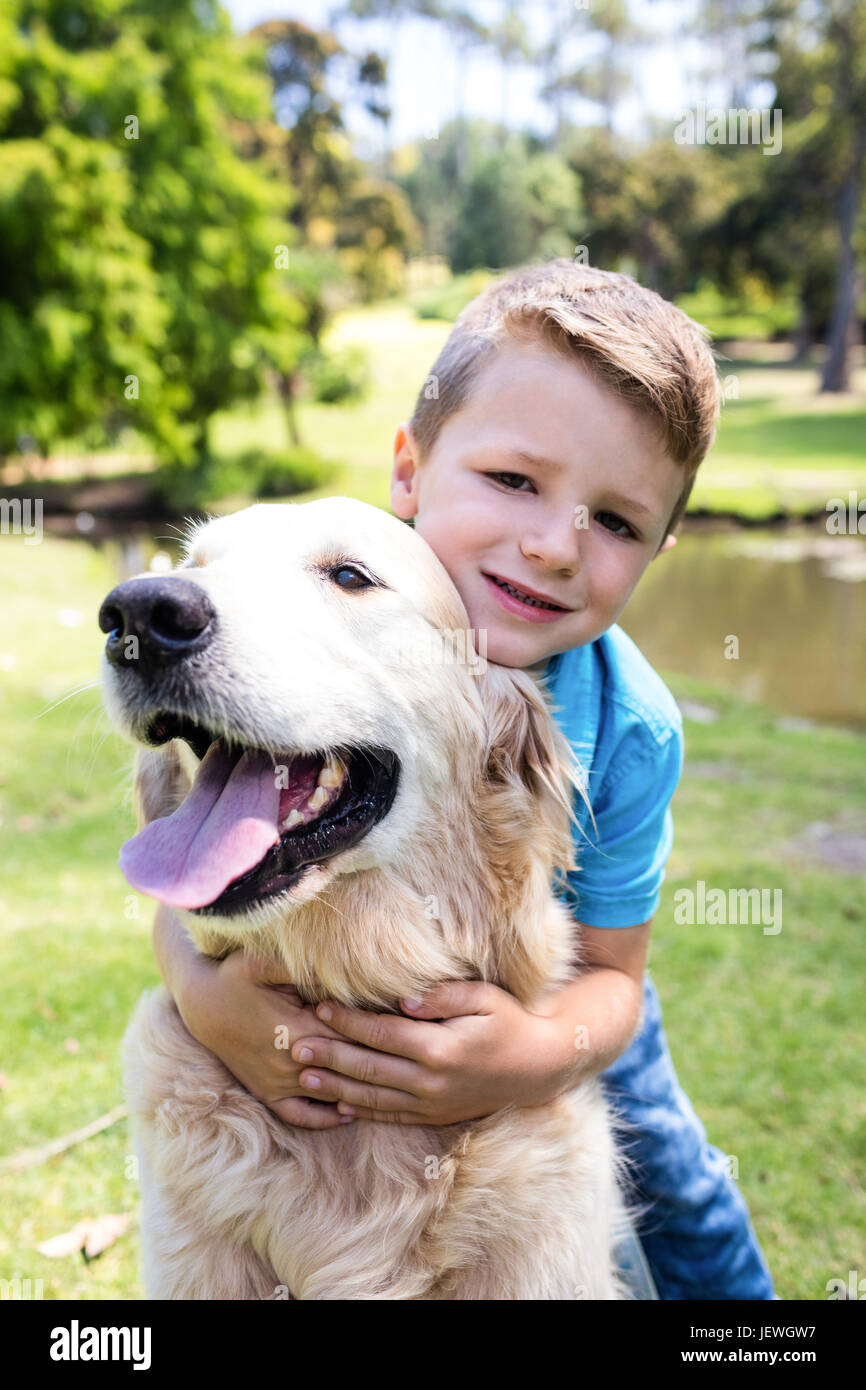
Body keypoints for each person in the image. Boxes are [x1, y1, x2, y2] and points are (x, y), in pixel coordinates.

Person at [152, 259, 775, 1299]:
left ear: (661, 548)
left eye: (615, 523)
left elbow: (614, 977)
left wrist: (531, 1053)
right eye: (514, 481)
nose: (551, 547)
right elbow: (193, 853)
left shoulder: (631, 724)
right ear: (409, 469)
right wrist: (202, 994)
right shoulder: (325, 628)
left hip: (554, 983)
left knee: (669, 1169)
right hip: (340, 976)